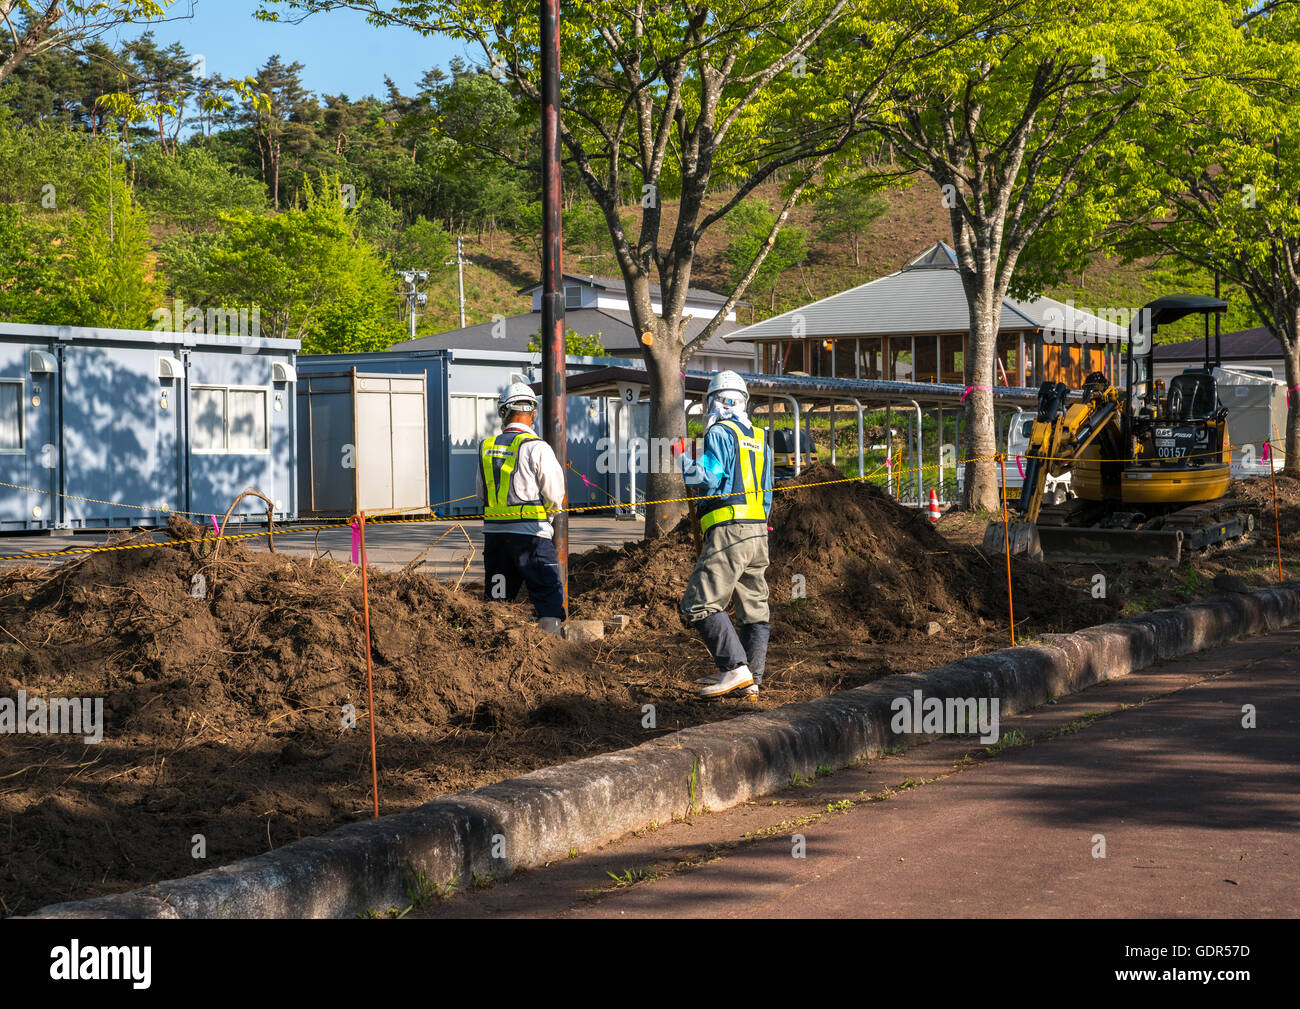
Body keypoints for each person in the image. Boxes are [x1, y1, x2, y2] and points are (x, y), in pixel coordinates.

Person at [673, 371, 773, 698]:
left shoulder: (719, 432)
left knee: (698, 603)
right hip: (758, 534)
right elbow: (767, 495)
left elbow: (708, 478)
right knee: (754, 609)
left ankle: (734, 668)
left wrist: (683, 459)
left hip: (730, 530)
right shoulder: (759, 437)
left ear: (714, 402)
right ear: (743, 401)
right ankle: (751, 679)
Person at [477, 382, 567, 631]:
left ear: (502, 412)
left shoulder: (486, 447)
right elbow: (554, 494)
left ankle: (492, 647)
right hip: (532, 537)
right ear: (534, 414)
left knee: (497, 600)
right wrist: (549, 515)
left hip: (494, 538)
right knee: (548, 597)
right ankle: (551, 650)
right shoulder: (537, 447)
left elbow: (480, 494)